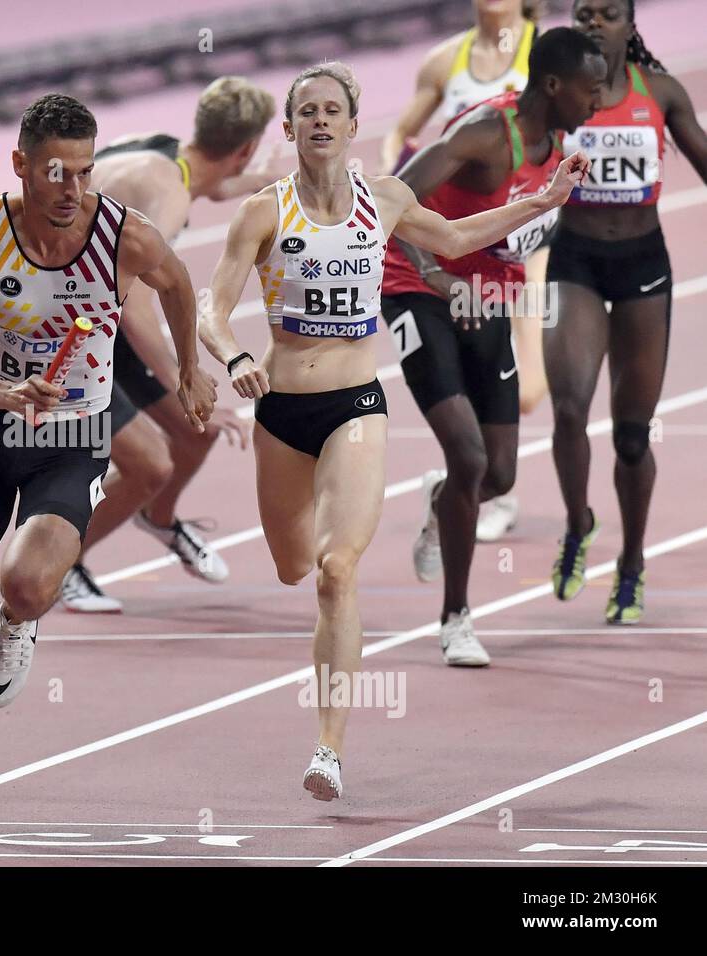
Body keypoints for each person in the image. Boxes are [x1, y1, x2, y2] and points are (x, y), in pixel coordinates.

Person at [202, 61, 586, 799]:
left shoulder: (384, 199)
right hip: (284, 411)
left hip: (355, 405)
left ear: (352, 127)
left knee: (336, 571)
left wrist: (542, 198)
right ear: (289, 129)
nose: (319, 121)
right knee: (290, 565)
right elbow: (211, 308)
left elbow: (452, 236)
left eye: (331, 110)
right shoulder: (262, 212)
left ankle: (328, 751)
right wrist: (234, 353)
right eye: (305, 111)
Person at [0, 93, 216, 841]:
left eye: (85, 172)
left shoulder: (122, 234)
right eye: (57, 172)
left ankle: (25, 619)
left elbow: (178, 285)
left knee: (27, 583)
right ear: (22, 167)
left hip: (73, 433)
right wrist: (2, 390)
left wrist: (190, 369)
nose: (72, 190)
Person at [381, 27, 605, 666]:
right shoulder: (485, 134)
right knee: (471, 457)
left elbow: (524, 236)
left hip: (487, 301)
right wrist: (437, 276)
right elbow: (392, 197)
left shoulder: (558, 148)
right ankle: (456, 618)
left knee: (498, 473)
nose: (596, 105)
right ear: (555, 86)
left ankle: (438, 498)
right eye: (591, 92)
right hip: (415, 288)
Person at [60, 77, 275, 613]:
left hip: (96, 313)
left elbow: (218, 183)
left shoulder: (163, 151)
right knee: (150, 465)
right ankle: (61, 563)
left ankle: (158, 519)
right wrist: (185, 376)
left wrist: (275, 179)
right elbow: (132, 305)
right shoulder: (169, 197)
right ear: (244, 146)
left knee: (196, 431)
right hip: (65, 331)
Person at [546, 0, 707, 623]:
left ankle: (632, 564)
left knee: (633, 436)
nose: (593, 21)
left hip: (643, 264)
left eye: (607, 13)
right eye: (583, 11)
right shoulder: (556, 93)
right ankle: (577, 522)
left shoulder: (659, 92)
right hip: (575, 260)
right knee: (567, 409)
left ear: (629, 25)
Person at [382, 0, 546, 543]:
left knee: (526, 392)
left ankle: (483, 481)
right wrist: (402, 171)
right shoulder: (444, 61)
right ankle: (478, 486)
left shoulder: (545, 53)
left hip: (517, 243)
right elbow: (402, 133)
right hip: (449, 242)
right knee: (483, 407)